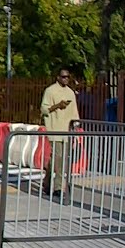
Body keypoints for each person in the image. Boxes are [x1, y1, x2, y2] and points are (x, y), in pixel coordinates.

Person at [40, 67, 78, 196]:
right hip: (54, 129)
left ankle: (54, 186)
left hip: (66, 130)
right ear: (58, 77)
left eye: (67, 77)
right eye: (63, 77)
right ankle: (56, 186)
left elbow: (74, 111)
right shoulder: (50, 91)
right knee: (58, 158)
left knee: (61, 160)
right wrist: (57, 106)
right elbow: (44, 109)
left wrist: (76, 125)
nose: (66, 79)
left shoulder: (70, 93)